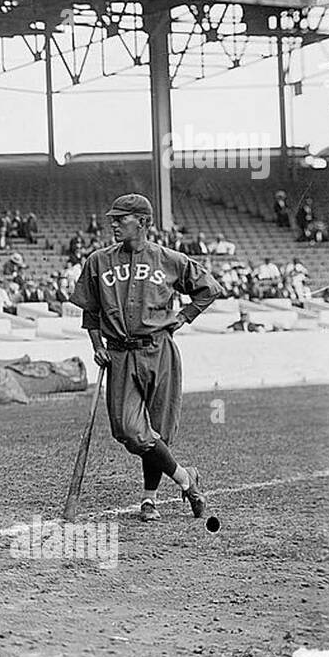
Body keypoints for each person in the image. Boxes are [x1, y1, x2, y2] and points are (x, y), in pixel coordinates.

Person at [71, 194, 221, 524]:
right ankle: (185, 478)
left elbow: (209, 289)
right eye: (112, 219)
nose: (112, 224)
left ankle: (149, 499)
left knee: (158, 432)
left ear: (142, 222)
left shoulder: (169, 259)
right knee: (129, 430)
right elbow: (90, 311)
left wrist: (185, 316)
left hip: (159, 350)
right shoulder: (98, 261)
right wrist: (96, 344)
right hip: (120, 354)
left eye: (120, 219)